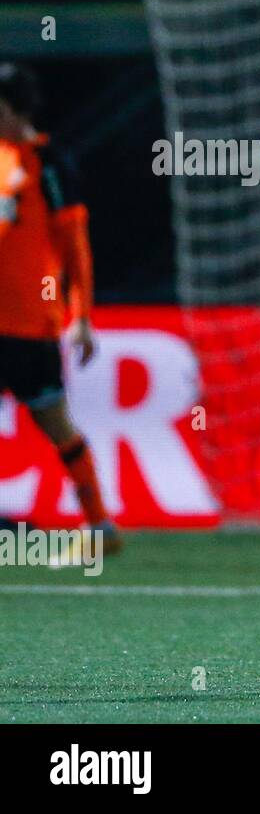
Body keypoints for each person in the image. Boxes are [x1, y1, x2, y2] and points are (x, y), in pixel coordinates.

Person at [0, 63, 121, 554]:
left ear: (10, 108)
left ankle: (100, 526)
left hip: (31, 325)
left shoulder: (49, 164)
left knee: (56, 424)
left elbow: (75, 248)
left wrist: (83, 318)